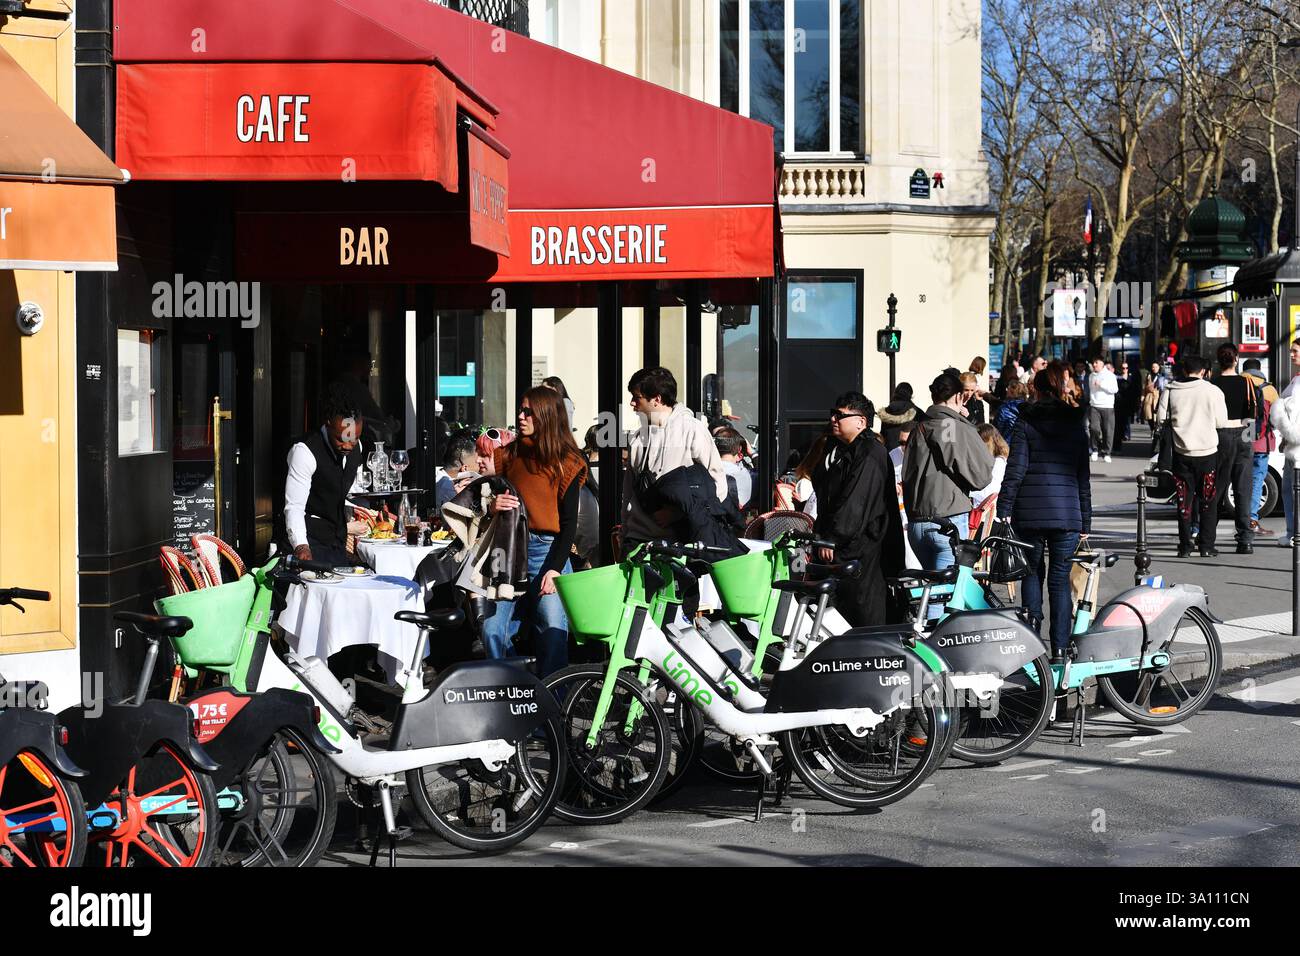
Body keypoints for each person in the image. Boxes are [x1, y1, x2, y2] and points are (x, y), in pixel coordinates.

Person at [481, 386, 588, 677]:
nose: (520, 415)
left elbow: (568, 526)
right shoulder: (507, 455)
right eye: (521, 409)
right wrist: (492, 505)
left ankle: (553, 711)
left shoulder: (567, 461)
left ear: (546, 416)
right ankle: (511, 694)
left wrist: (554, 570)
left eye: (528, 411)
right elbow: (487, 498)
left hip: (549, 550)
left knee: (552, 634)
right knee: (492, 630)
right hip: (509, 548)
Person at [996, 364, 1092, 657]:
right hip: (1067, 514)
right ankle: (1060, 649)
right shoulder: (1076, 425)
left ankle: (1032, 646)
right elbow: (1082, 477)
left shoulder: (1026, 424)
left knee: (1031, 574)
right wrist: (1085, 519)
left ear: (1036, 390)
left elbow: (1016, 469)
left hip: (1030, 513)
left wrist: (1005, 507)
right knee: (1060, 582)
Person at [810, 392, 903, 626]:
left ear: (861, 421)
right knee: (838, 613)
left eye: (840, 415)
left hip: (862, 548)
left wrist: (832, 538)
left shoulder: (870, 453)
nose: (833, 419)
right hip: (845, 546)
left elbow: (856, 501)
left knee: (860, 613)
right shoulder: (841, 450)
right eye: (833, 413)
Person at [621, 366, 730, 546]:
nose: (632, 403)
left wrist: (677, 513)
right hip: (637, 540)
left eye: (636, 397)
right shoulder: (638, 438)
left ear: (657, 399)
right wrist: (624, 534)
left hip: (679, 543)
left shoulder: (692, 430)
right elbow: (628, 494)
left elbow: (718, 484)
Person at [902, 371, 994, 570]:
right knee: (944, 595)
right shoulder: (952, 426)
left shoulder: (920, 427)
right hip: (947, 521)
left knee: (929, 590)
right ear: (959, 396)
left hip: (917, 522)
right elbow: (981, 477)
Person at [284, 383, 369, 566]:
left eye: (353, 440)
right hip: (308, 542)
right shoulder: (304, 451)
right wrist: (301, 546)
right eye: (340, 439)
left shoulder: (357, 448)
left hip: (336, 543)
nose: (347, 446)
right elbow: (294, 507)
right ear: (328, 423)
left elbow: (341, 489)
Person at [1157, 354, 1229, 557]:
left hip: (1181, 453)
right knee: (1208, 500)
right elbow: (1221, 422)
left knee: (1183, 501)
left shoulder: (1170, 390)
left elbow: (1161, 419)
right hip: (1207, 453)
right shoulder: (1212, 390)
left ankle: (1185, 545)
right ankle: (1206, 546)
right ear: (1203, 371)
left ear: (1184, 370)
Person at [1209, 344, 1259, 554]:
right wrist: (1250, 439)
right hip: (1243, 432)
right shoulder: (1246, 382)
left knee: (1216, 489)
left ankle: (1207, 538)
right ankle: (1245, 539)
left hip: (1219, 434)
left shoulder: (1212, 385)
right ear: (1236, 359)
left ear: (1218, 360)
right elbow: (1253, 411)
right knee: (1243, 489)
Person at [1241, 359, 1278, 539]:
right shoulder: (1269, 389)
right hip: (1261, 442)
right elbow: (1277, 418)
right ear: (1259, 369)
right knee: (1256, 482)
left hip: (1239, 440)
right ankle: (1252, 521)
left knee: (1236, 481)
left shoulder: (1237, 384)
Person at [334, 352, 399, 447]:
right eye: (369, 364)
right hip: (355, 438)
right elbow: (377, 416)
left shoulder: (340, 383)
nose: (371, 368)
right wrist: (392, 424)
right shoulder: (356, 387)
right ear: (359, 363)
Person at [435, 432, 480, 512]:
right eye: (478, 463)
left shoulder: (437, 477)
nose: (481, 464)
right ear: (465, 469)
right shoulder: (449, 490)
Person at [1085, 357, 1118, 461]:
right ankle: (1094, 449)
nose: (1094, 365)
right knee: (1094, 428)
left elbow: (1114, 389)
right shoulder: (1091, 376)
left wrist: (1101, 385)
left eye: (1096, 362)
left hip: (1107, 406)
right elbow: (1091, 389)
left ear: (1102, 364)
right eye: (1093, 362)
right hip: (1095, 405)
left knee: (1108, 431)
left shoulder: (1110, 376)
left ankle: (1107, 452)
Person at [715, 427, 754, 512]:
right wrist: (752, 454)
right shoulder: (744, 474)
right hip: (736, 522)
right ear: (739, 450)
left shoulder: (705, 470)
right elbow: (762, 476)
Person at [878, 382, 927, 450]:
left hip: (889, 453)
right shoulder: (917, 412)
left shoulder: (887, 411)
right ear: (910, 394)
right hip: (909, 452)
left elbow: (883, 435)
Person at [972, 423, 1008, 510]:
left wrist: (965, 492)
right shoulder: (995, 461)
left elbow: (989, 494)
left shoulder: (998, 463)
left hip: (988, 515)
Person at [993, 379, 1029, 444]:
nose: (1006, 390)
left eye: (1008, 388)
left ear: (1012, 391)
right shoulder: (1029, 407)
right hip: (1024, 445)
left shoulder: (1004, 409)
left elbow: (996, 430)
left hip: (1006, 445)